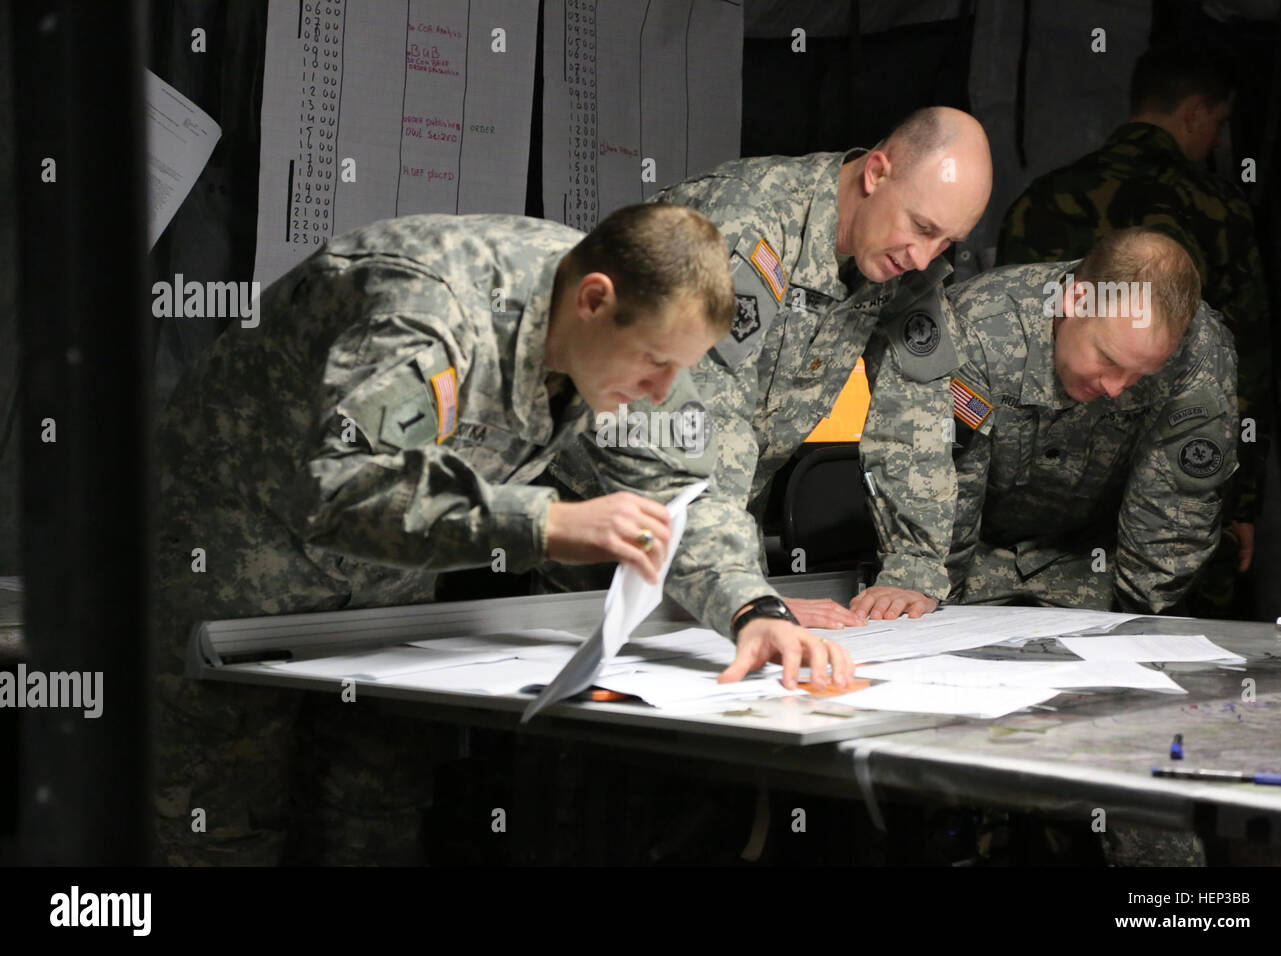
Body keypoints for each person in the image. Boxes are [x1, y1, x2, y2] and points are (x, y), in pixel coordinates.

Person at [154, 204, 851, 865]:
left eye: (681, 369)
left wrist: (748, 607)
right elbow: (340, 487)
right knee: (218, 826)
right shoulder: (429, 312)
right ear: (594, 300)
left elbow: (677, 488)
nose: (665, 391)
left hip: (379, 600)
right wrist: (545, 522)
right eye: (656, 365)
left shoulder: (628, 332)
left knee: (376, 816)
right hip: (225, 572)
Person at [544, 107, 993, 637]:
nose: (924, 257)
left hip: (719, 523)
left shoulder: (903, 262)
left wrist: (912, 567)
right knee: (592, 689)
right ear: (877, 172)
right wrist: (745, 594)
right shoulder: (749, 221)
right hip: (606, 502)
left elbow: (914, 409)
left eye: (946, 241)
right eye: (921, 228)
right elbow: (705, 406)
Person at [997, 40, 1269, 613]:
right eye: (1217, 123)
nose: (1218, 141)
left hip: (1030, 508)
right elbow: (1247, 362)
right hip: (1167, 486)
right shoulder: (1218, 208)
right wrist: (1242, 500)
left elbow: (1009, 352)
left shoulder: (1043, 199)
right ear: (1192, 112)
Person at [945, 228, 1238, 612]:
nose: (1117, 388)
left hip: (1099, 578)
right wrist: (935, 609)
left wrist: (1136, 626)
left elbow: (1172, 519)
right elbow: (942, 490)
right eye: (1109, 359)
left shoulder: (1198, 353)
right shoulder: (976, 325)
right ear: (1077, 301)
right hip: (967, 571)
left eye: (1140, 375)